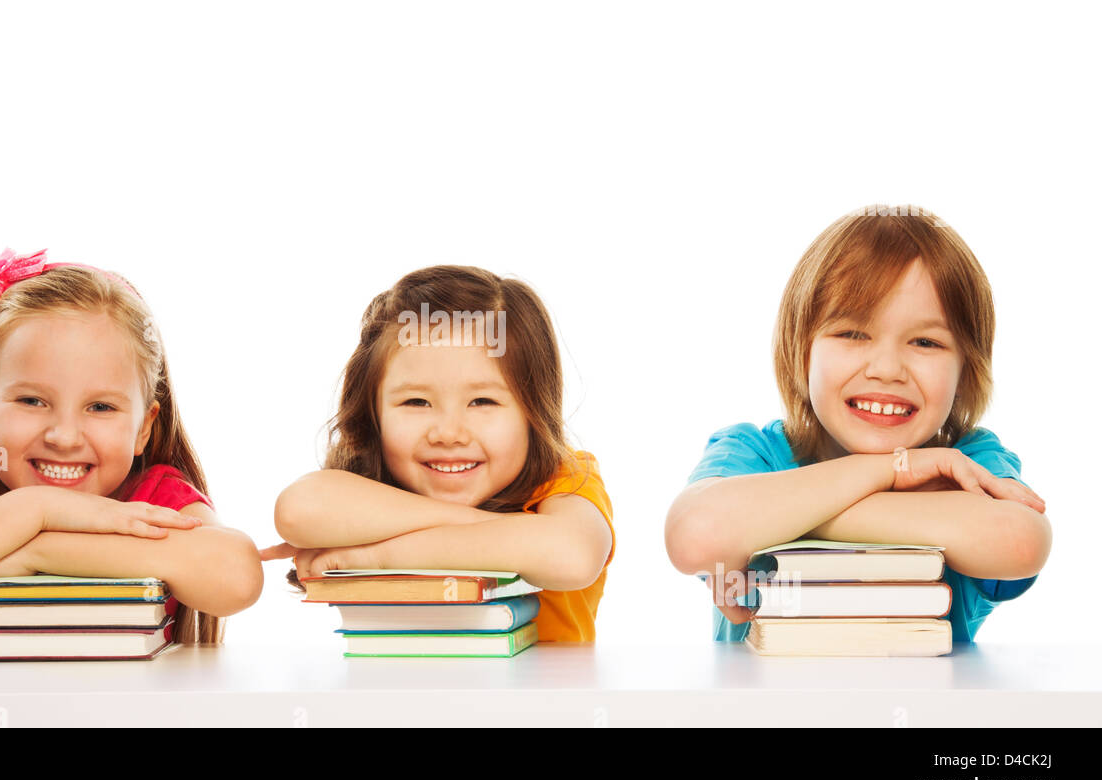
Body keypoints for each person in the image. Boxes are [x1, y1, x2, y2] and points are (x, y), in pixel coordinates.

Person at [0, 248, 262, 655]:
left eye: (100, 407)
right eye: (32, 401)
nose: (64, 436)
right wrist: (31, 508)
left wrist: (35, 551)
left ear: (143, 428)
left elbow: (236, 575)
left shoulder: (152, 499)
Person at [664, 206, 1051, 642]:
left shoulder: (968, 460)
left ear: (966, 372)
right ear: (801, 350)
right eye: (852, 334)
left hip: (927, 709)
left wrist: (787, 520)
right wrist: (892, 470)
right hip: (765, 712)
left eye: (925, 342)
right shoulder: (753, 451)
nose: (887, 369)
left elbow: (1020, 542)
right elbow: (695, 534)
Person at [262, 265, 614, 641]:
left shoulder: (566, 480)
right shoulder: (371, 486)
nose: (448, 433)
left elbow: (572, 555)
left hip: (540, 702)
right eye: (416, 401)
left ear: (533, 412)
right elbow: (297, 511)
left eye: (482, 401)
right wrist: (475, 522)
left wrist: (376, 556)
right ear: (372, 414)